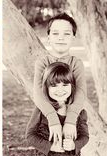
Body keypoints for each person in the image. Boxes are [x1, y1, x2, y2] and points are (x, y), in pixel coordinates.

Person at [33, 12, 87, 144]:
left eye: (66, 34)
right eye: (55, 33)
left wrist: (70, 121)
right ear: (49, 37)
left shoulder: (76, 63)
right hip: (46, 116)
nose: (61, 38)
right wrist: (53, 120)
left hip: (71, 116)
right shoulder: (42, 62)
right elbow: (38, 93)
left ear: (73, 38)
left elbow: (81, 92)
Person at [26, 62, 89, 156]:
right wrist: (50, 146)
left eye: (65, 85)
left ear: (72, 86)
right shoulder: (42, 110)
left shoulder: (79, 111)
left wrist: (74, 145)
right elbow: (30, 136)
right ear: (46, 88)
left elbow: (85, 136)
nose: (60, 90)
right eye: (54, 85)